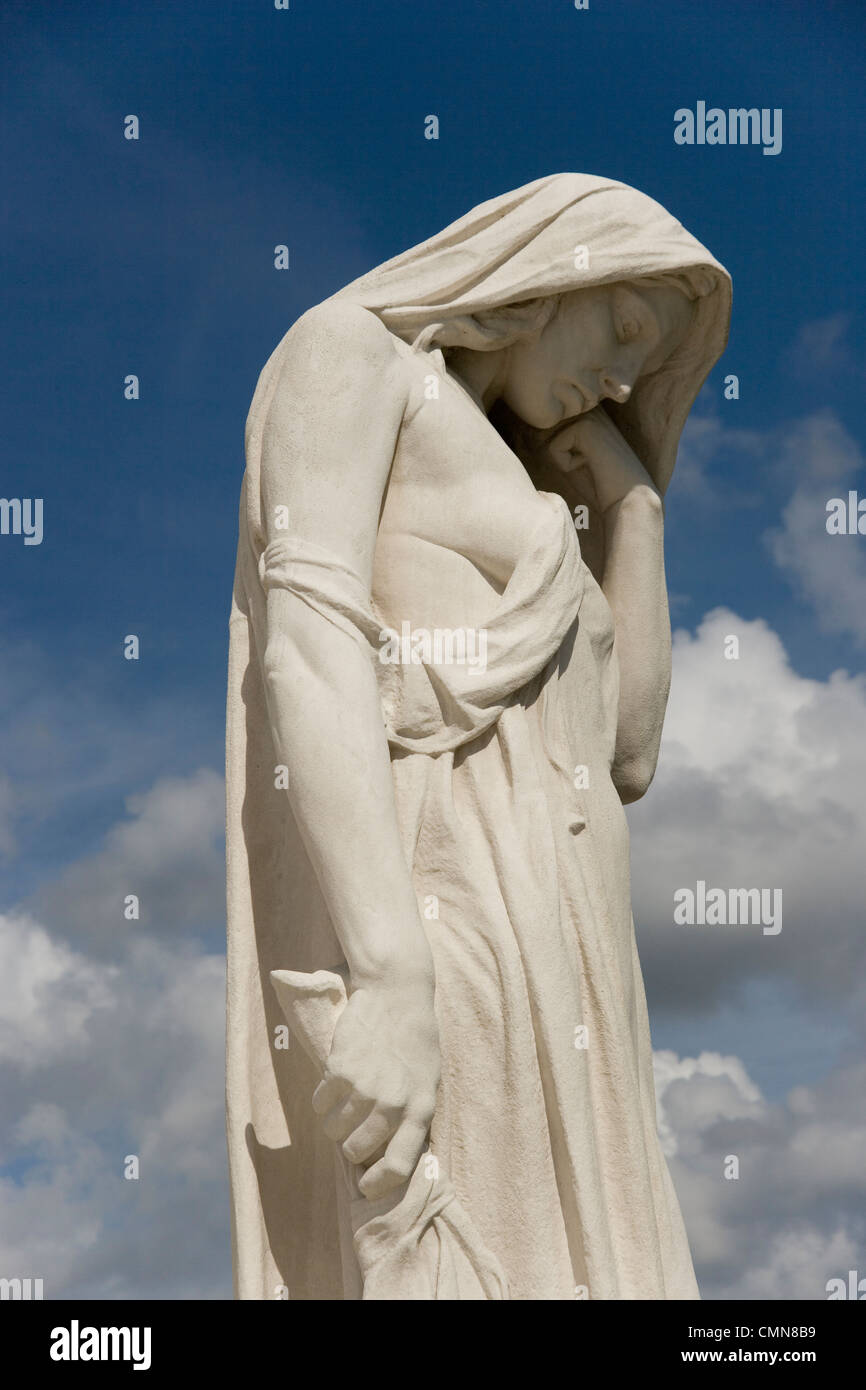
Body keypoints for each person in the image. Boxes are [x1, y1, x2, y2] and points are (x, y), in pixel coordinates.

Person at [225, 173, 732, 1300]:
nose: (619, 375)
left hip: (577, 942)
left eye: (643, 371)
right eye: (625, 327)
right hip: (445, 908)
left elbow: (628, 755)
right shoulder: (353, 353)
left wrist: (634, 509)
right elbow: (308, 646)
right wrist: (390, 972)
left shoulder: (530, 481)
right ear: (548, 270)